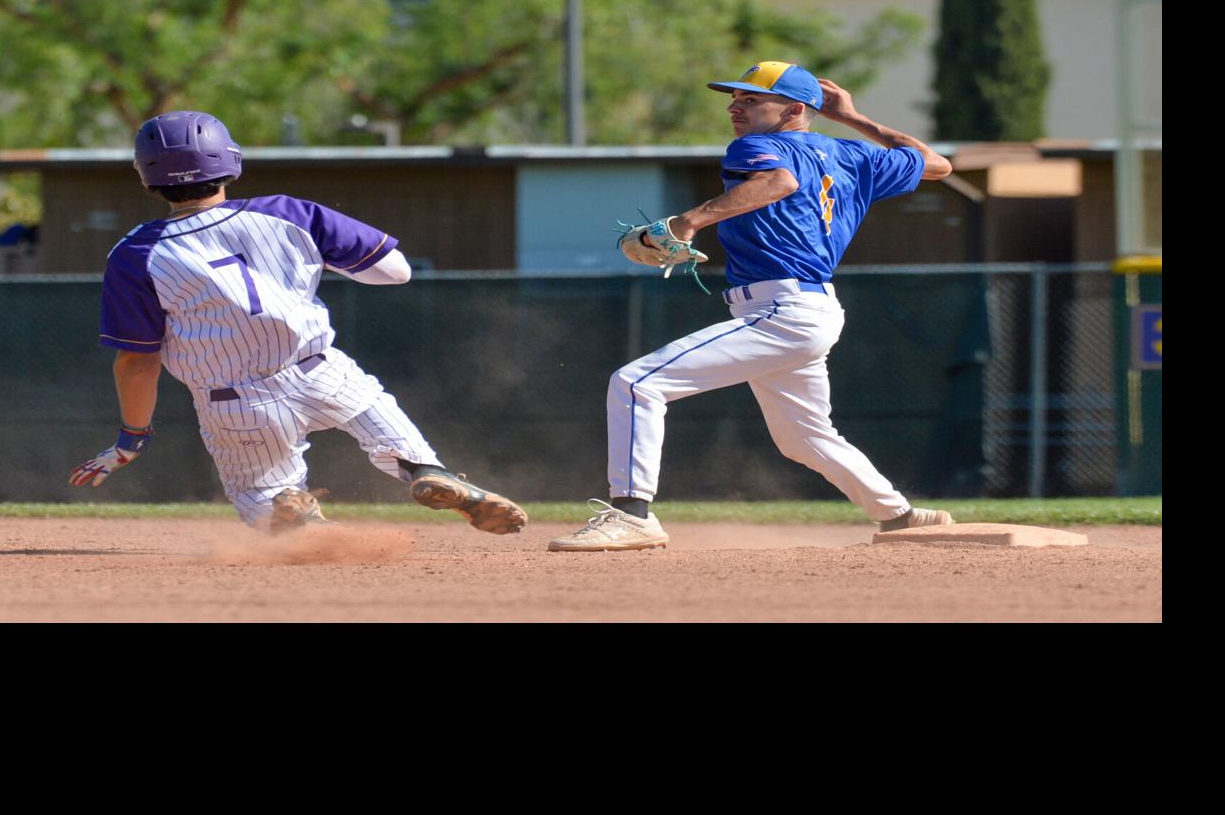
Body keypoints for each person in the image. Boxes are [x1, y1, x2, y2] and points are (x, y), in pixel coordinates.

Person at [549, 61, 956, 552]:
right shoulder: (852, 155)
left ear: (794, 110)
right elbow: (936, 165)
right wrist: (853, 118)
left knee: (637, 383)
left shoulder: (759, 148)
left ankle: (633, 515)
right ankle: (901, 516)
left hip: (782, 310)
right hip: (806, 309)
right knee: (802, 437)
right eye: (735, 97)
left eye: (750, 100)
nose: (734, 107)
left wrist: (690, 221)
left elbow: (779, 183)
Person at [69, 110, 527, 535]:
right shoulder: (287, 213)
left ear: (146, 176)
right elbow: (396, 272)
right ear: (231, 160)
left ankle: (293, 514)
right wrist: (310, 262)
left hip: (235, 400)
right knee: (393, 437)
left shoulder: (135, 254)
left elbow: (136, 362)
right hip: (319, 370)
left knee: (261, 496)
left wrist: (131, 439)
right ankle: (425, 471)